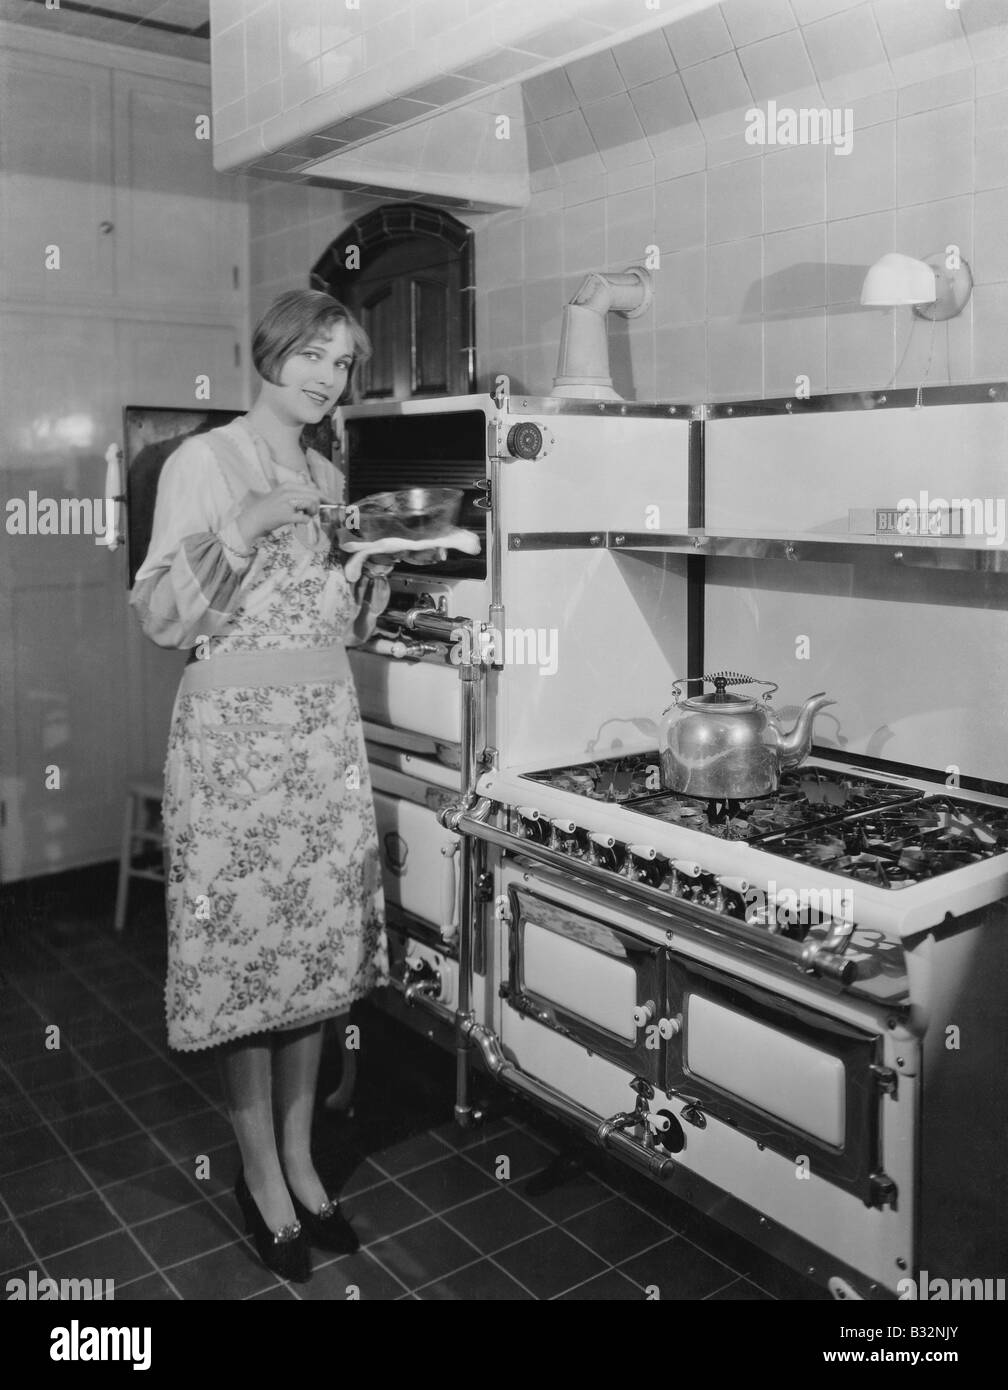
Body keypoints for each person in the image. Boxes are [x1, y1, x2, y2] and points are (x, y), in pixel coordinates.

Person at [131, 289, 415, 1283]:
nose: (327, 376)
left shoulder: (329, 473)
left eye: (343, 363)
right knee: (247, 956)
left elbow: (327, 618)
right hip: (235, 743)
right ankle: (258, 1172)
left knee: (310, 959)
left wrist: (368, 578)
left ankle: (303, 1159)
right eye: (313, 355)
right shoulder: (203, 462)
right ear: (270, 353)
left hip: (321, 733)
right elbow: (163, 615)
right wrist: (246, 524)